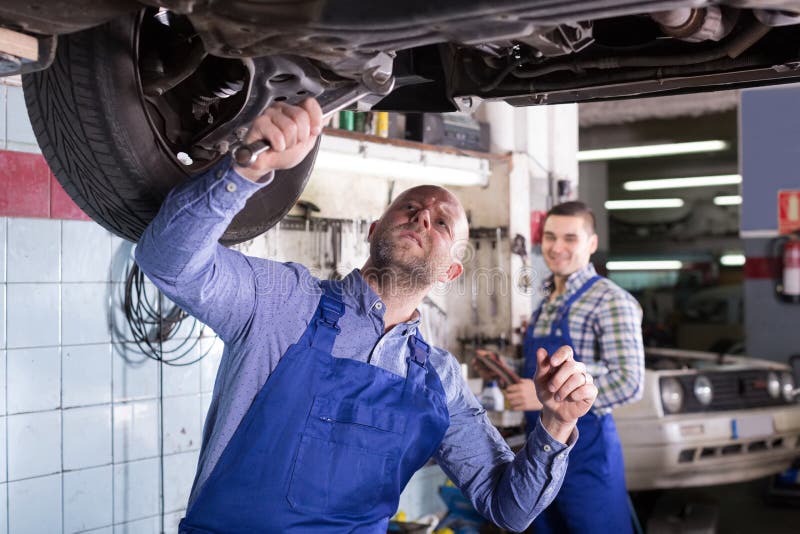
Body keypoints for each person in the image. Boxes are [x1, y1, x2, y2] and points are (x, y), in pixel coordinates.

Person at [135, 98, 599, 533]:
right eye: (411, 208)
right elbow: (167, 261)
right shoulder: (284, 302)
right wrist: (246, 167)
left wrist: (556, 425)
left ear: (450, 272)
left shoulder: (439, 381)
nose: (423, 219)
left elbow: (509, 509)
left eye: (441, 224)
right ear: (374, 230)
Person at [504, 201, 645, 534]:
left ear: (591, 244)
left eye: (570, 238)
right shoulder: (546, 304)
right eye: (550, 237)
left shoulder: (610, 300)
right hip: (539, 455)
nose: (557, 247)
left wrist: (543, 399)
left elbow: (629, 381)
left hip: (588, 457)